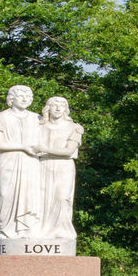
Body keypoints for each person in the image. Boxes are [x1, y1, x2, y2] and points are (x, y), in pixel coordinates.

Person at [0, 85, 43, 239]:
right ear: (11, 99)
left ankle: (26, 229)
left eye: (28, 96)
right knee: (6, 194)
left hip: (31, 162)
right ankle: (7, 229)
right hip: (9, 161)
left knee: (30, 194)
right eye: (20, 96)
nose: (25, 99)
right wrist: (22, 147)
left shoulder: (38, 119)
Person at [37, 96, 84, 240]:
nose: (58, 108)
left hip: (64, 166)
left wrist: (42, 148)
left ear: (66, 109)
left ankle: (62, 231)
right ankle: (42, 231)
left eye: (62, 106)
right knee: (42, 200)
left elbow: (69, 151)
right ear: (47, 108)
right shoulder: (39, 126)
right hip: (43, 166)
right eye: (54, 105)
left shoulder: (74, 128)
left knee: (62, 198)